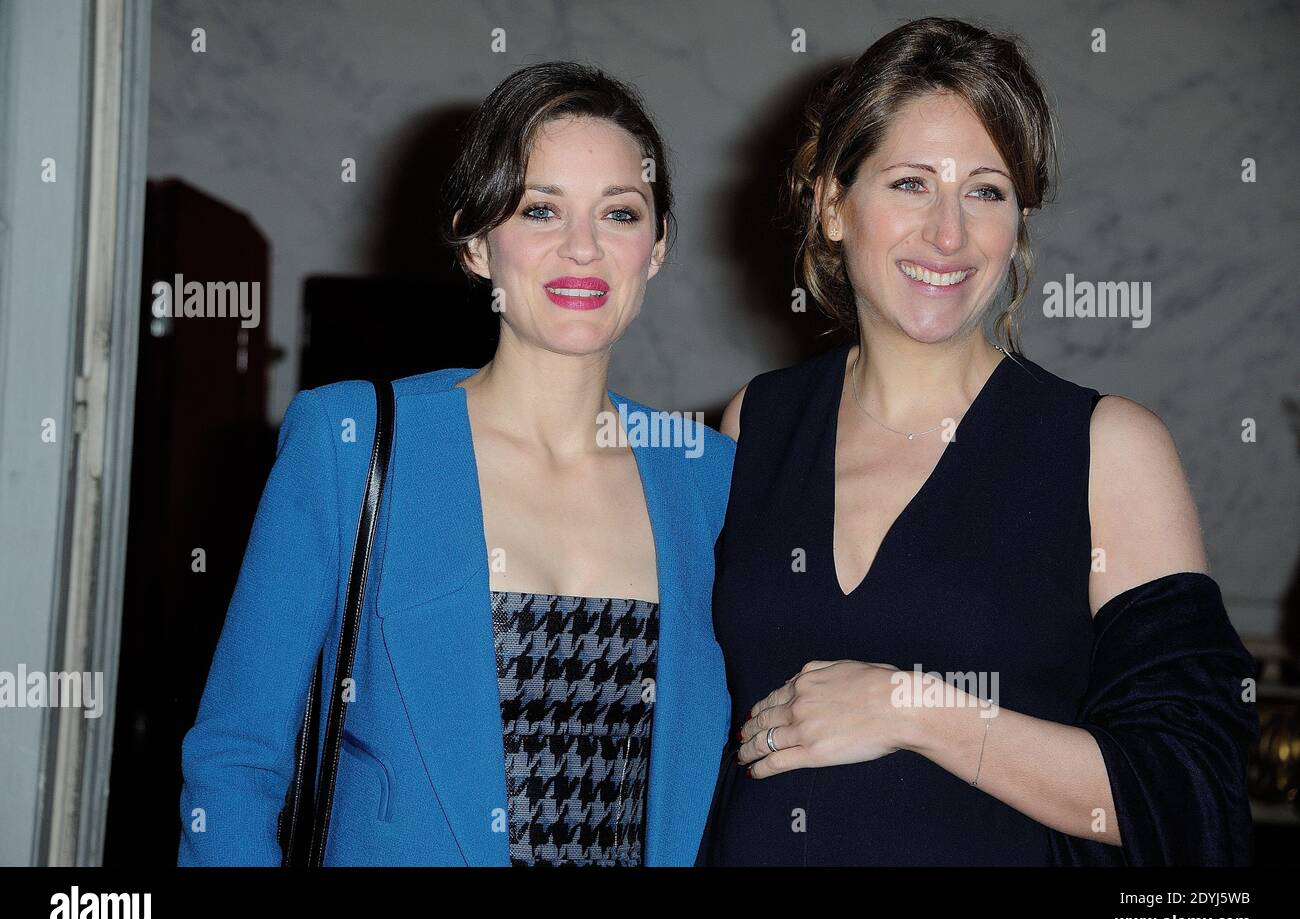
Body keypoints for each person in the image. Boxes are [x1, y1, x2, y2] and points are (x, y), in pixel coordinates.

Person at [701, 16, 1257, 865]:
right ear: (832, 204)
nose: (949, 234)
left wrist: (911, 708)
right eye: (912, 184)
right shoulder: (755, 424)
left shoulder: (1106, 448)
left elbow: (1186, 791)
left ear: (1019, 222)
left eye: (987, 192)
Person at [179, 61, 734, 866]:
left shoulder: (709, 477)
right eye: (540, 209)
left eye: (620, 213)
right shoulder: (353, 444)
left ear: (655, 249)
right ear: (476, 243)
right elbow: (235, 762)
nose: (582, 248)